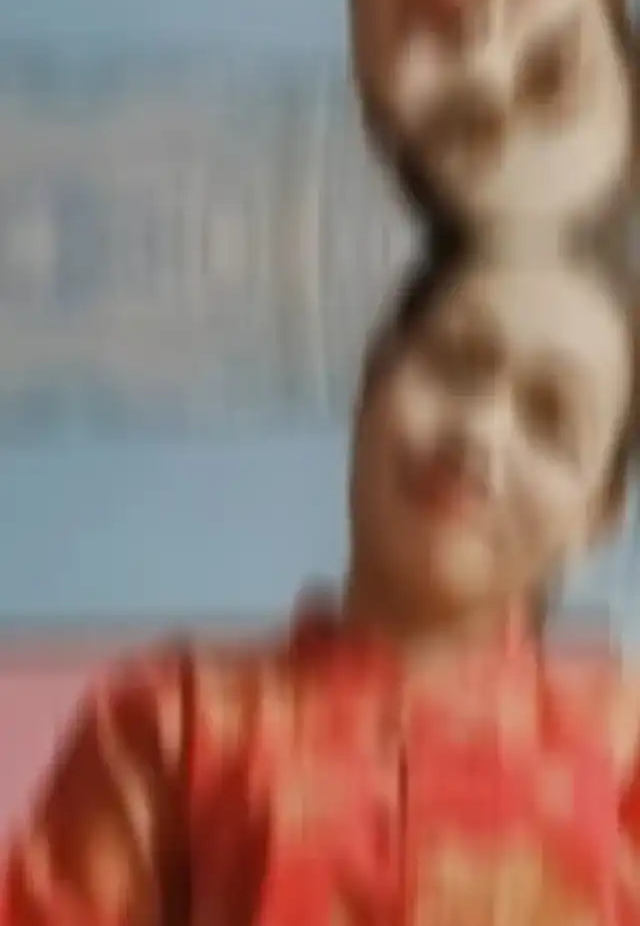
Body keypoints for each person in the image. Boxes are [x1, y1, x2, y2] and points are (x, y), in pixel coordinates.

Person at [1, 248, 638, 926]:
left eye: (550, 419)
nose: (478, 434)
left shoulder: (623, 748)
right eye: (454, 365)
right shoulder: (171, 722)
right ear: (371, 384)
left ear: (597, 516)